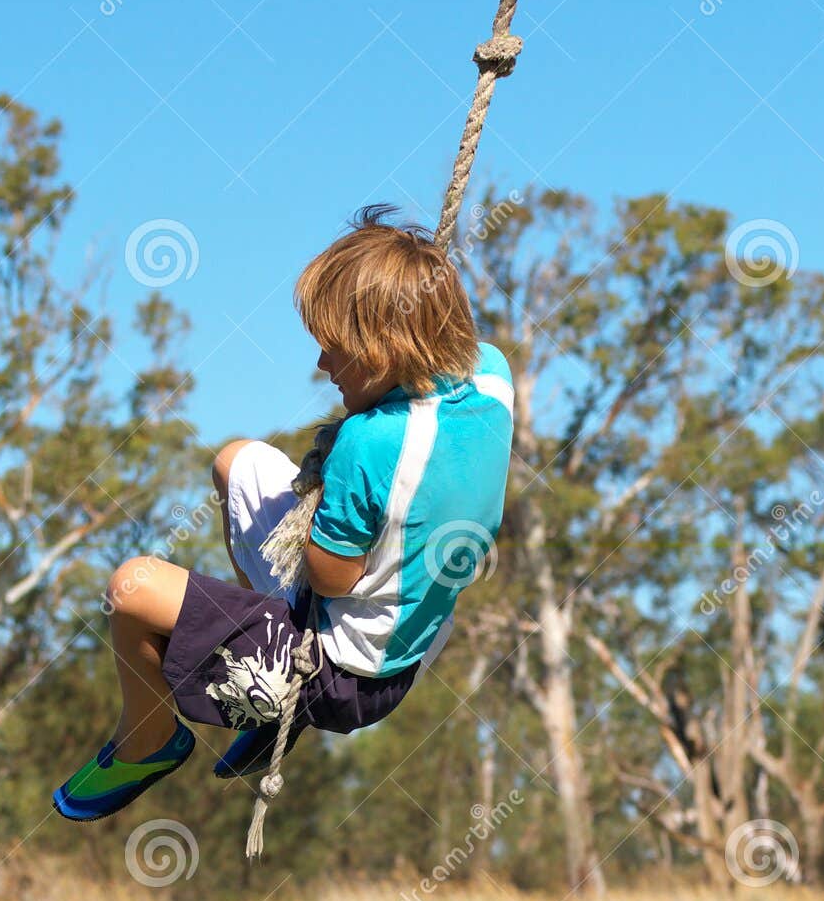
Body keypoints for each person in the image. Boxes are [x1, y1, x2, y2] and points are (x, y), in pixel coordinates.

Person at [52, 207, 514, 822]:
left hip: (341, 673)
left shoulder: (371, 442)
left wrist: (326, 486)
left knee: (131, 589)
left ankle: (152, 738)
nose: (323, 368)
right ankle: (258, 684)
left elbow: (330, 577)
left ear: (383, 353)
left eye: (335, 352)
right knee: (235, 462)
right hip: (413, 633)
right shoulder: (491, 371)